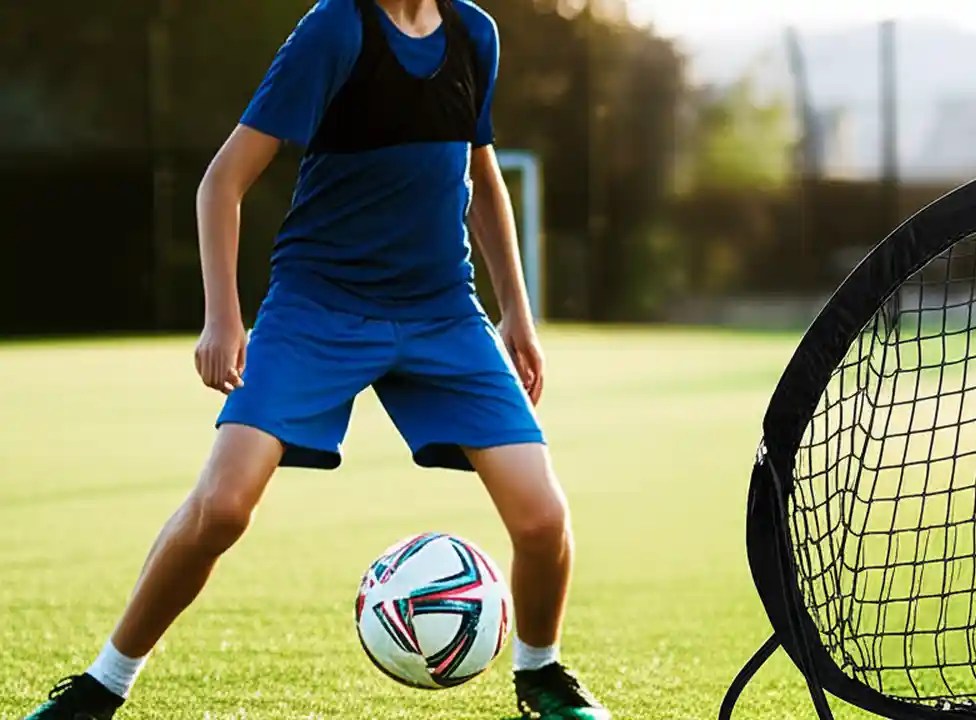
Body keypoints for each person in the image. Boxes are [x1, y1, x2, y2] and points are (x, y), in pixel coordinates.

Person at [23, 0, 609, 718]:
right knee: (222, 508)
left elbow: (479, 174)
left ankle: (541, 677)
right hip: (318, 308)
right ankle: (101, 685)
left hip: (441, 312)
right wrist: (222, 317)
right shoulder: (336, 29)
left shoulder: (474, 33)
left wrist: (515, 307)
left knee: (543, 520)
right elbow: (221, 183)